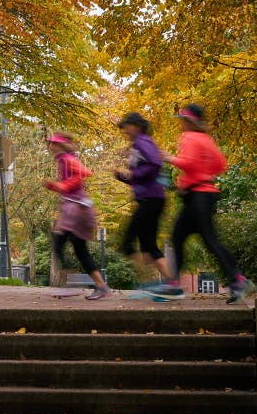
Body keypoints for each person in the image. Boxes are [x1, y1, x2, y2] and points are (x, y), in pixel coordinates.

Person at [153, 104, 255, 305]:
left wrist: (168, 158)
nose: (180, 123)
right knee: (193, 238)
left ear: (189, 121)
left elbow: (188, 163)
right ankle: (237, 279)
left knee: (193, 238)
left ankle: (176, 285)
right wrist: (200, 176)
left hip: (197, 196)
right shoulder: (207, 139)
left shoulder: (189, 137)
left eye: (182, 119)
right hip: (204, 194)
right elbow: (221, 165)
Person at [43, 131, 112, 300]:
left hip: (76, 209)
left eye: (53, 143)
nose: (51, 147)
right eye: (50, 143)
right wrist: (55, 186)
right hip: (76, 207)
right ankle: (100, 286)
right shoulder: (64, 159)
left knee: (60, 244)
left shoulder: (67, 159)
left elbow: (83, 173)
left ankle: (70, 285)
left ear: (60, 145)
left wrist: (61, 186)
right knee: (79, 249)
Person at [115, 112, 173, 286]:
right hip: (150, 198)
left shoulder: (143, 142)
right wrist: (122, 176)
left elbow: (155, 163)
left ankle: (149, 282)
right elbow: (139, 177)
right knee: (148, 247)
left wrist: (134, 173)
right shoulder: (137, 145)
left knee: (127, 244)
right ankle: (171, 285)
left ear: (136, 126)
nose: (125, 130)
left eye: (127, 126)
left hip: (151, 199)